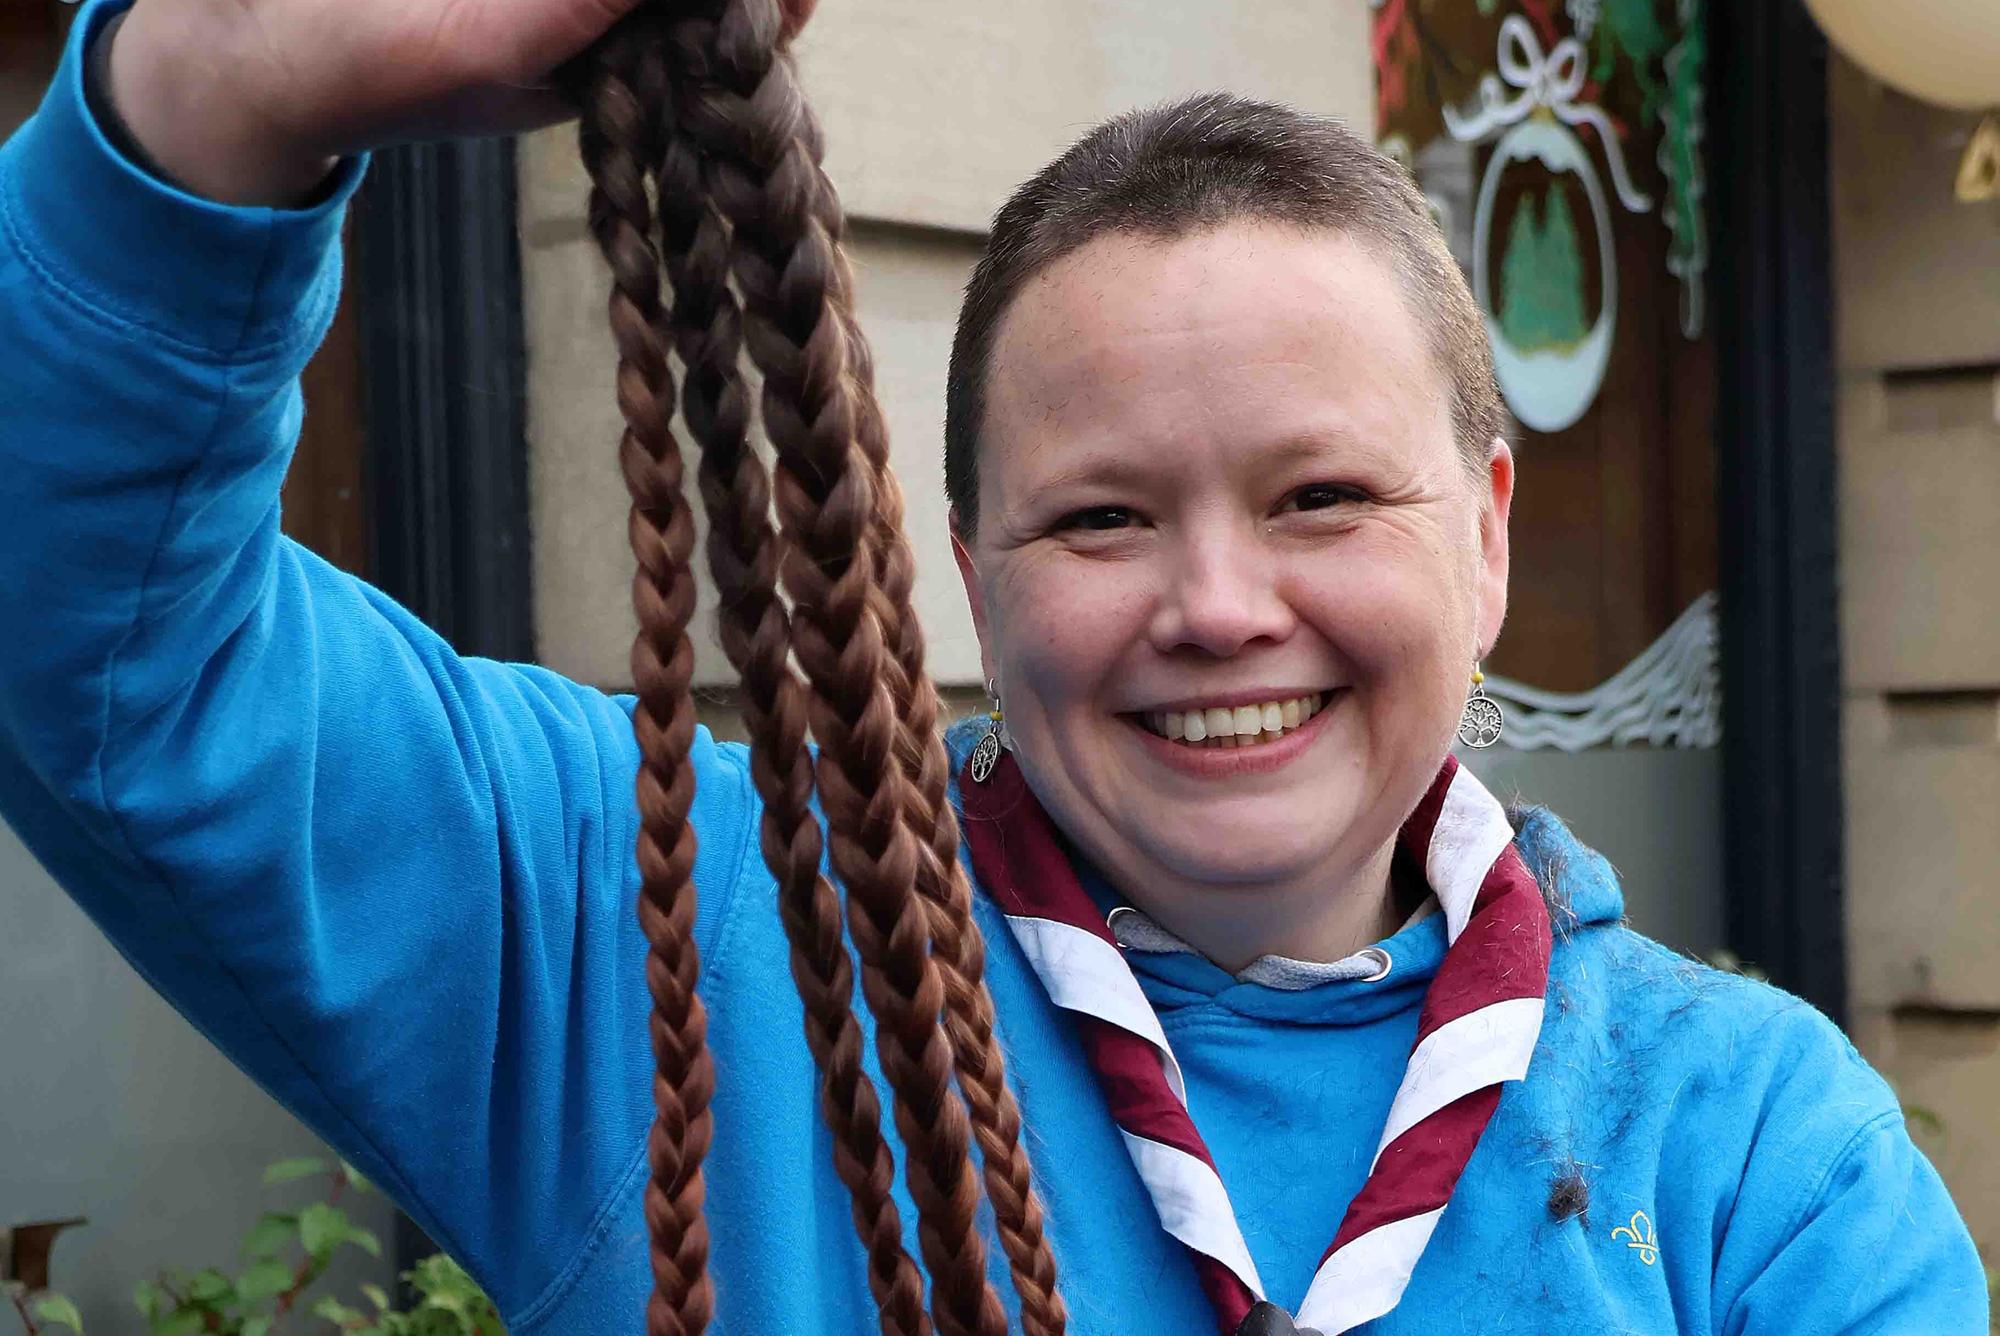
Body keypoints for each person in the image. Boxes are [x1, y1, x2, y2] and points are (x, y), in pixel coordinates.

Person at [0, 0, 1986, 1333]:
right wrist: (226, 75)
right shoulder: (674, 922)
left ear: (1483, 530)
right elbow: (97, 639)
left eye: (1317, 497)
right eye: (1102, 517)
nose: (1216, 602)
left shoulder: (1750, 1155)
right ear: (968, 568)